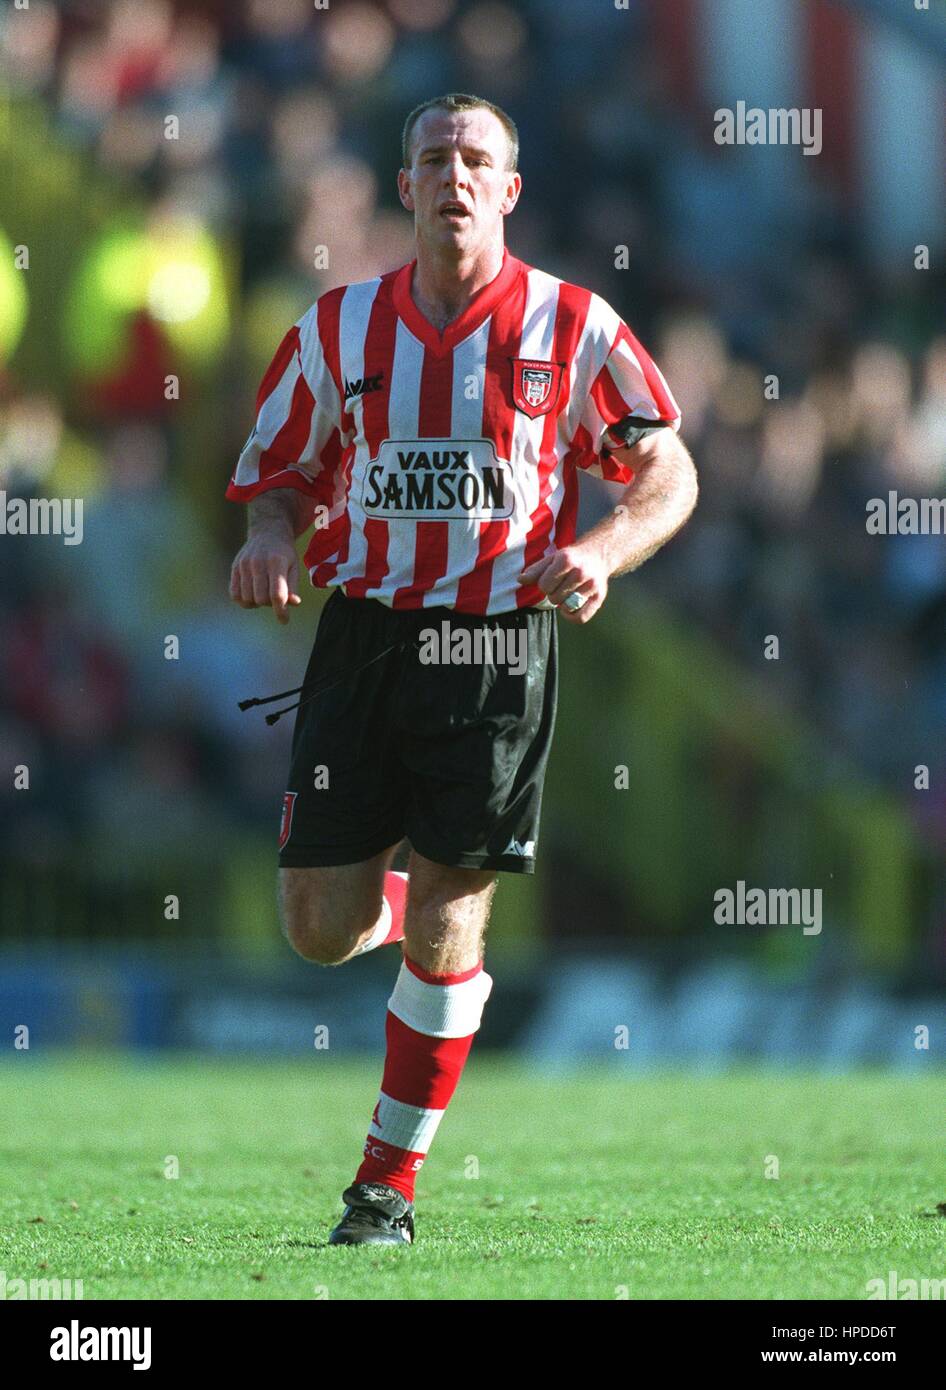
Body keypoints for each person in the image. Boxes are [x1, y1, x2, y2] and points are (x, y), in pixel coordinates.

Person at [227, 92, 698, 1246]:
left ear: (509, 188)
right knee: (319, 928)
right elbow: (277, 475)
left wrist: (599, 549)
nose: (454, 173)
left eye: (475, 157)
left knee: (451, 913)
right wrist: (267, 537)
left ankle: (384, 1188)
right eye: (433, 156)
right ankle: (399, 902)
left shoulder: (574, 326)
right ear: (404, 186)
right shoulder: (337, 329)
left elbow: (666, 473)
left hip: (495, 645)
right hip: (365, 636)